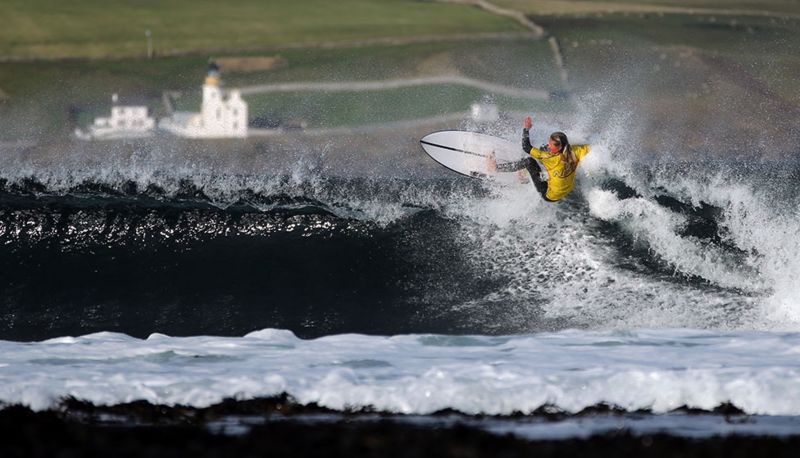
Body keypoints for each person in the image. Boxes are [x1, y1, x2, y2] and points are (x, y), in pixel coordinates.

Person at [487, 116, 590, 202]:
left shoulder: (549, 157)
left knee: (529, 161)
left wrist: (526, 129)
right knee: (543, 150)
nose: (549, 145)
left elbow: (526, 147)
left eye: (551, 144)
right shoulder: (576, 150)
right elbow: (593, 149)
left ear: (559, 147)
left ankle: (495, 168)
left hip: (548, 194)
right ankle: (525, 175)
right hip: (566, 190)